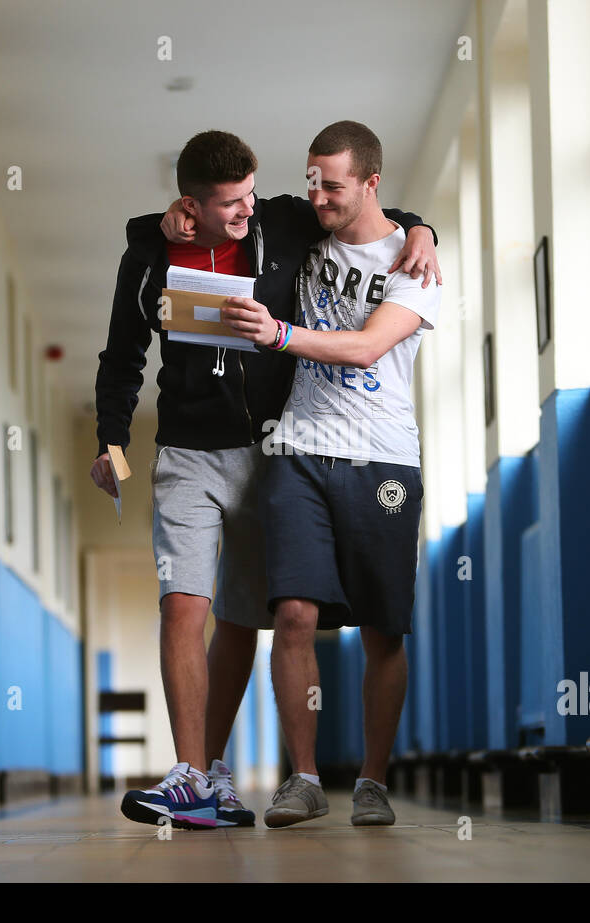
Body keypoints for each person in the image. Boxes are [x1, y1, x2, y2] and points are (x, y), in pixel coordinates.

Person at [91, 130, 440, 829]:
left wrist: (422, 226)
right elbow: (122, 356)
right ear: (191, 206)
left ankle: (220, 770)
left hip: (272, 448)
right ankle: (192, 775)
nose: (250, 209)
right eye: (231, 202)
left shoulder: (279, 220)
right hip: (188, 451)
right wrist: (112, 442)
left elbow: (367, 209)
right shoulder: (151, 253)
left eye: (253, 193)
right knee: (184, 604)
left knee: (244, 616)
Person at [221, 120, 442, 828]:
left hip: (382, 459)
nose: (318, 197)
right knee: (291, 612)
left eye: (334, 186)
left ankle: (373, 780)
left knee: (382, 631)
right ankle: (305, 776)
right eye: (312, 181)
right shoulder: (302, 234)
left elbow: (369, 347)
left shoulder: (417, 266)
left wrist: (281, 334)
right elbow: (222, 209)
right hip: (298, 450)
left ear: (372, 183)